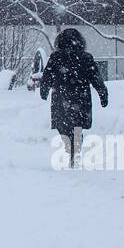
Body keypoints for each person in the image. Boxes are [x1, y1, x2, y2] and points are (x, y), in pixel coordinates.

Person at [39, 28, 108, 169]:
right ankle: (75, 151)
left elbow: (47, 77)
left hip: (61, 98)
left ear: (60, 41)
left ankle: (70, 149)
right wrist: (102, 94)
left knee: (63, 127)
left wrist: (44, 91)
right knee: (77, 127)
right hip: (80, 98)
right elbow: (96, 78)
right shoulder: (85, 58)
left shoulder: (56, 57)